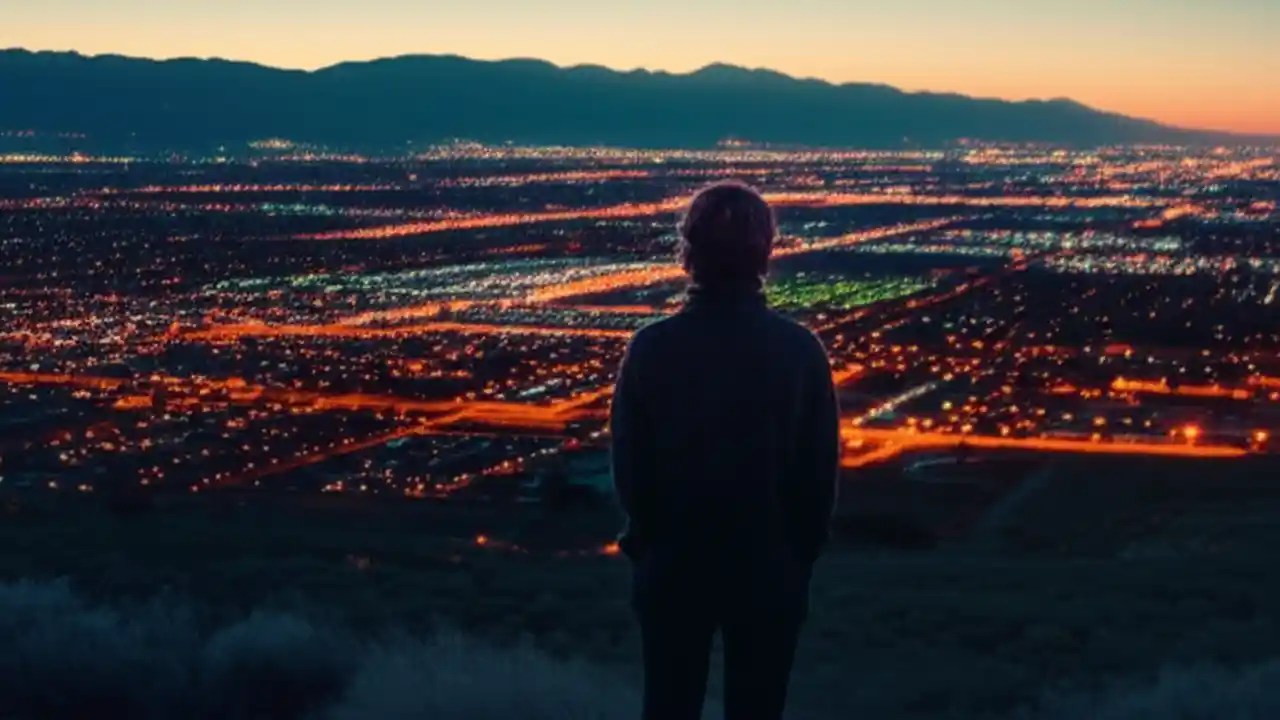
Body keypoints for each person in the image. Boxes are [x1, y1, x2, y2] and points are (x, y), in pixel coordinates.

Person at [610, 180, 840, 720]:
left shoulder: (652, 348)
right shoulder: (800, 351)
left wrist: (651, 544)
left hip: (674, 565)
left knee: (667, 705)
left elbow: (631, 474)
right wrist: (796, 557)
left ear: (688, 254)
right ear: (765, 253)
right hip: (769, 569)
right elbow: (816, 479)